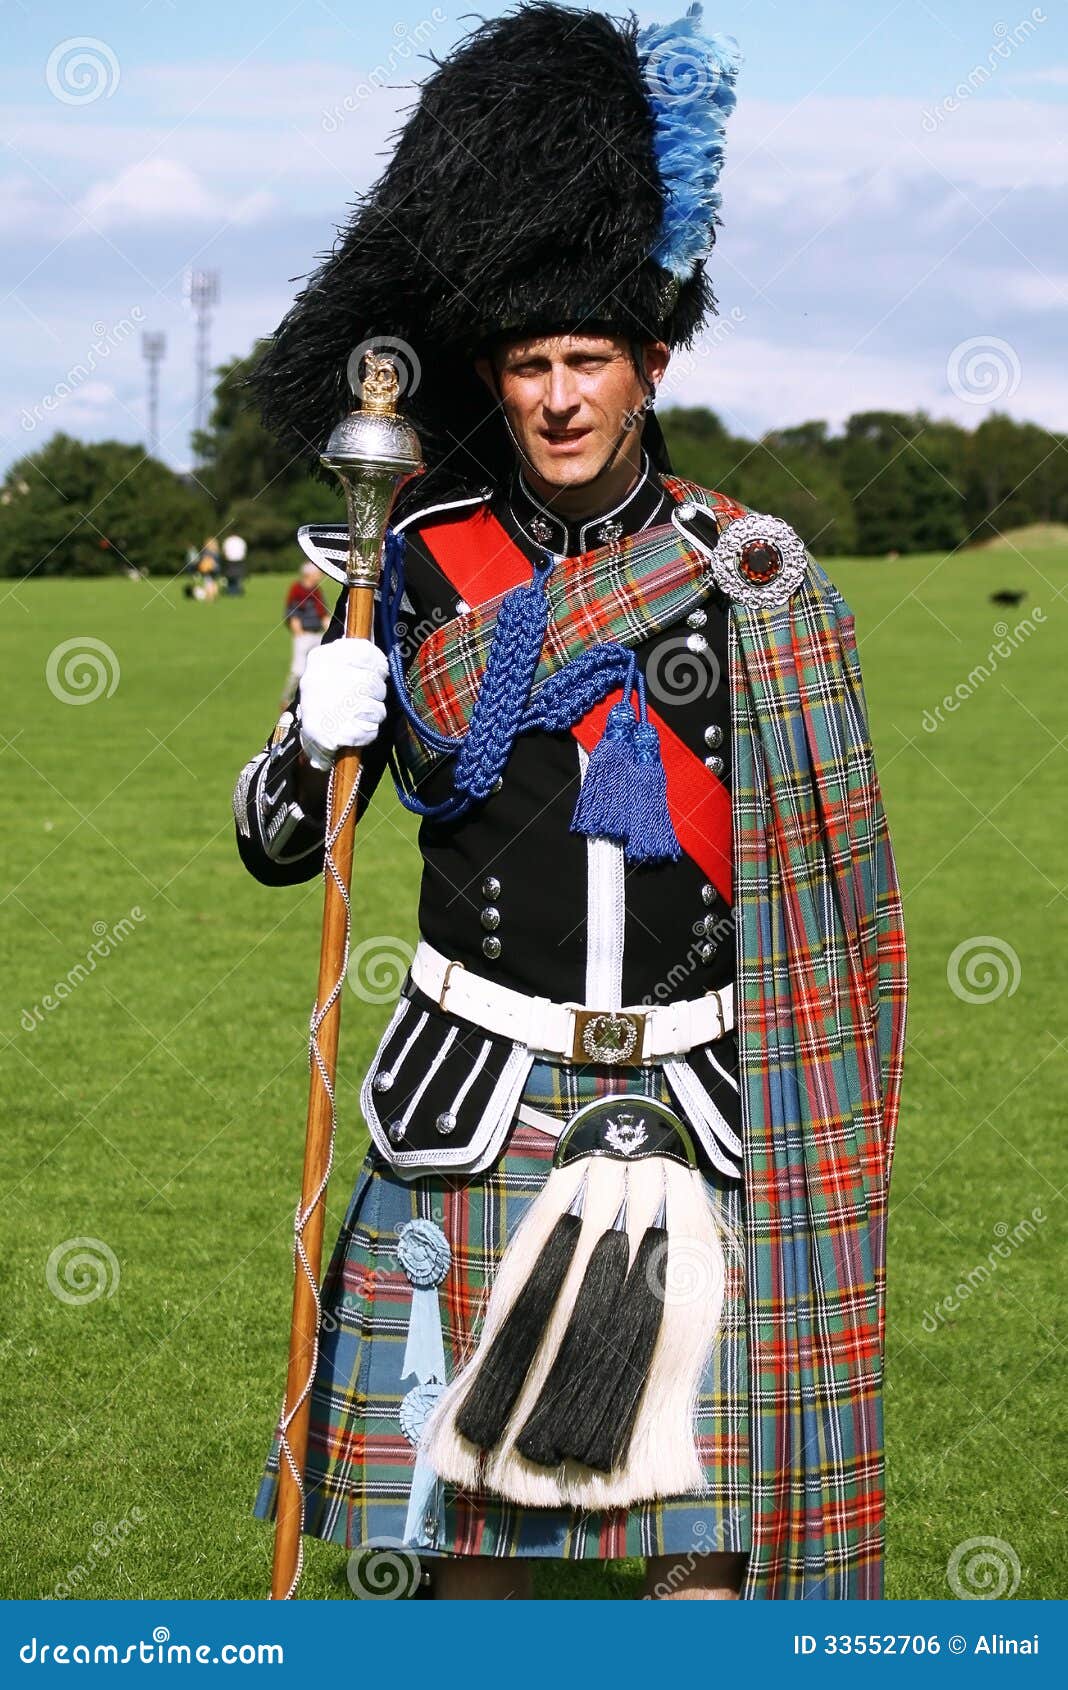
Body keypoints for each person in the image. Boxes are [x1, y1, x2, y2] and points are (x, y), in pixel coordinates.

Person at [232, 1, 906, 1601]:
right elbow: (277, 847)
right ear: (496, 373)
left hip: (703, 1112)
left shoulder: (752, 572)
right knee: (472, 1584)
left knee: (707, 1583)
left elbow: (842, 889)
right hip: (473, 1111)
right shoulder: (416, 557)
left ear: (649, 362)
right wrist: (316, 728)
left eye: (586, 359)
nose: (556, 397)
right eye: (528, 365)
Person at [281, 562, 329, 710]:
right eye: (317, 573)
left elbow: (323, 614)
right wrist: (299, 633)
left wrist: (330, 632)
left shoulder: (317, 591)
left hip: (317, 634)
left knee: (319, 669)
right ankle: (287, 699)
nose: (320, 576)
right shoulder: (297, 590)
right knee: (298, 670)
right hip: (303, 635)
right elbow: (293, 614)